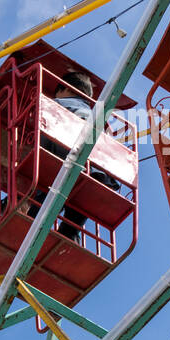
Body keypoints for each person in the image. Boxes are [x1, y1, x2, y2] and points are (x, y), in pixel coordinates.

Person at [29, 69, 122, 243]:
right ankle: (68, 238)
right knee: (79, 204)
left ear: (64, 89)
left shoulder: (56, 106)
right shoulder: (99, 119)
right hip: (99, 176)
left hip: (65, 168)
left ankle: (25, 227)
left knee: (38, 201)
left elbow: (43, 138)